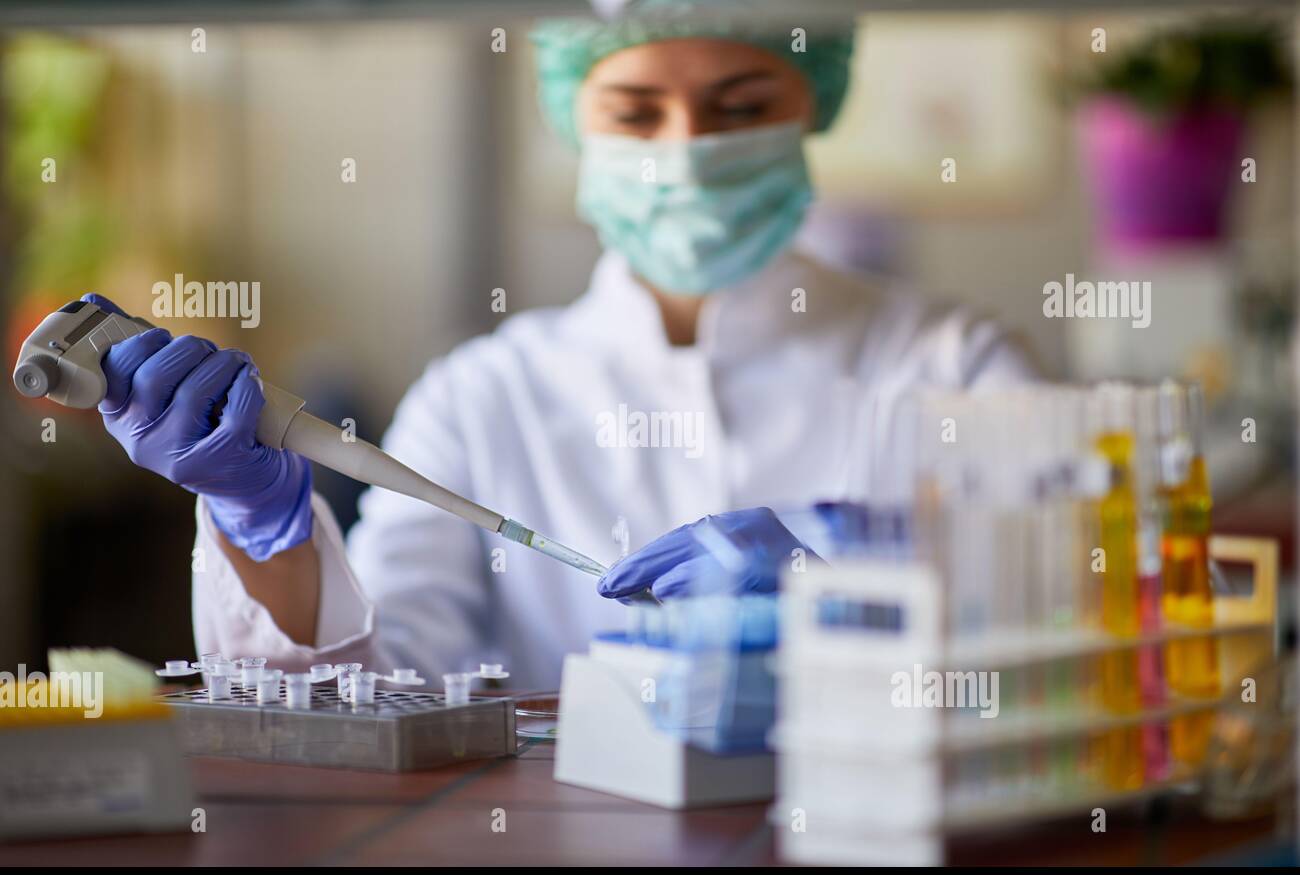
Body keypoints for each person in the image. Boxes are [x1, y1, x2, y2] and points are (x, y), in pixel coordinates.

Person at [85, 5, 1034, 687]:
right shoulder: (483, 394)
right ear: (572, 118)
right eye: (634, 112)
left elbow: (1083, 629)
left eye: (741, 109)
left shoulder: (958, 364)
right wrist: (266, 532)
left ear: (814, 106)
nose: (688, 148)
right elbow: (369, 694)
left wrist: (853, 589)